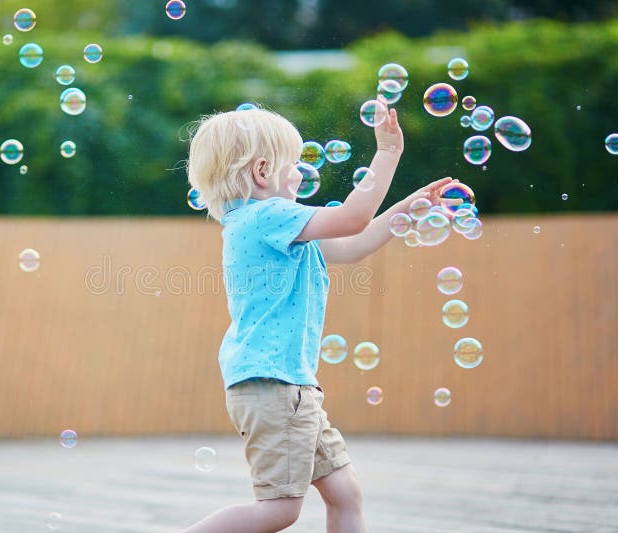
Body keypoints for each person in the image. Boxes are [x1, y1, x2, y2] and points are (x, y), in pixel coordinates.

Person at [183, 103, 452, 533]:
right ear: (262, 172)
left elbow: (352, 245)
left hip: (288, 386)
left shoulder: (269, 226)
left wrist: (406, 209)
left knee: (344, 491)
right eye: (295, 163)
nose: (302, 173)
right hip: (276, 386)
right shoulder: (266, 216)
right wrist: (387, 153)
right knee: (279, 509)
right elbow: (353, 219)